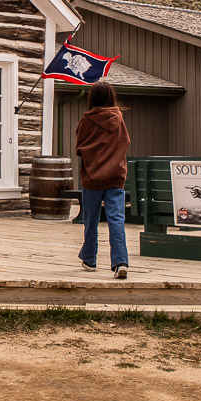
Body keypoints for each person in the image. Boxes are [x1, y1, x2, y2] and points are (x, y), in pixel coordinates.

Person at [75, 80, 131, 279]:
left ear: (92, 98)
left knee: (91, 219)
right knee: (117, 219)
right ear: (111, 97)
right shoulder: (118, 119)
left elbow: (80, 147)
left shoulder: (87, 120)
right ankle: (120, 262)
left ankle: (89, 258)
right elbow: (125, 142)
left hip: (92, 176)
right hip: (115, 176)